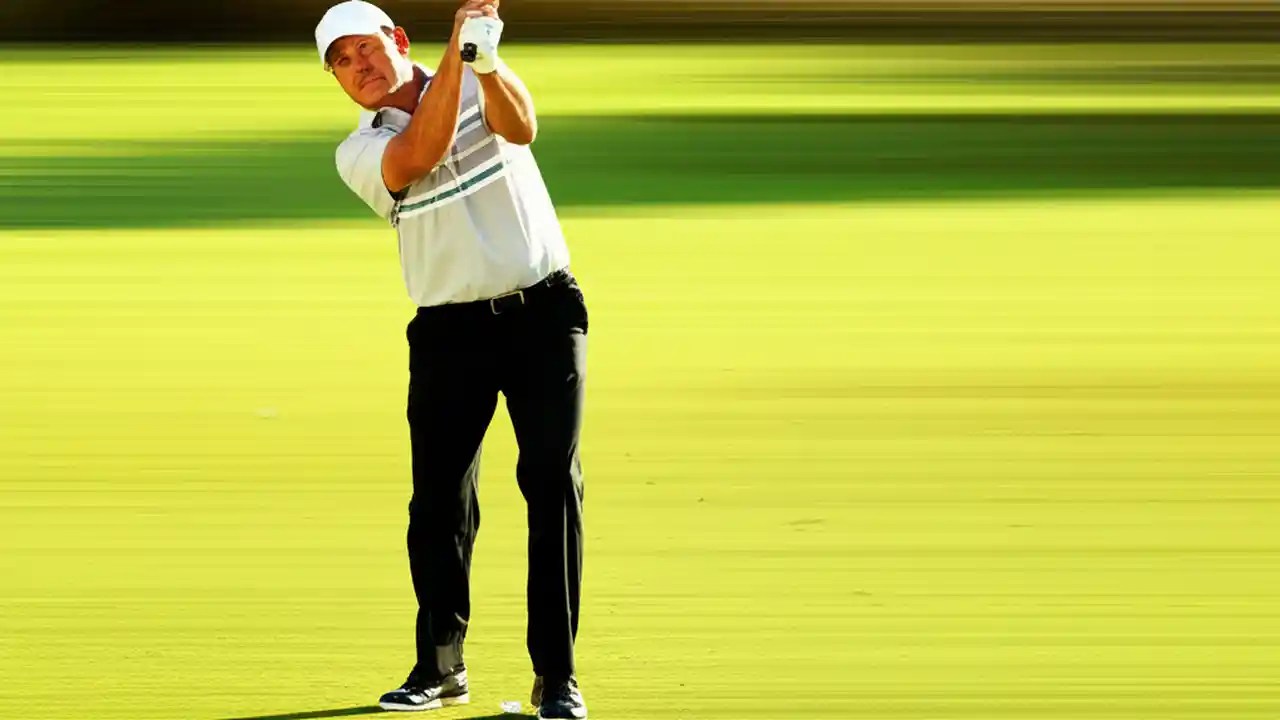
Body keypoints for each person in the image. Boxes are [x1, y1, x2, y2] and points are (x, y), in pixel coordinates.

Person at [313, 2, 589, 717]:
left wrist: (484, 59)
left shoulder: (478, 77)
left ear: (397, 41)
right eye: (341, 62)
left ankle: (556, 678)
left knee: (553, 488)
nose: (359, 68)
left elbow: (523, 127)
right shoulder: (358, 152)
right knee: (439, 506)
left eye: (366, 48)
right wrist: (460, 47)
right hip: (447, 331)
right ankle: (439, 667)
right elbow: (421, 156)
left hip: (543, 314)